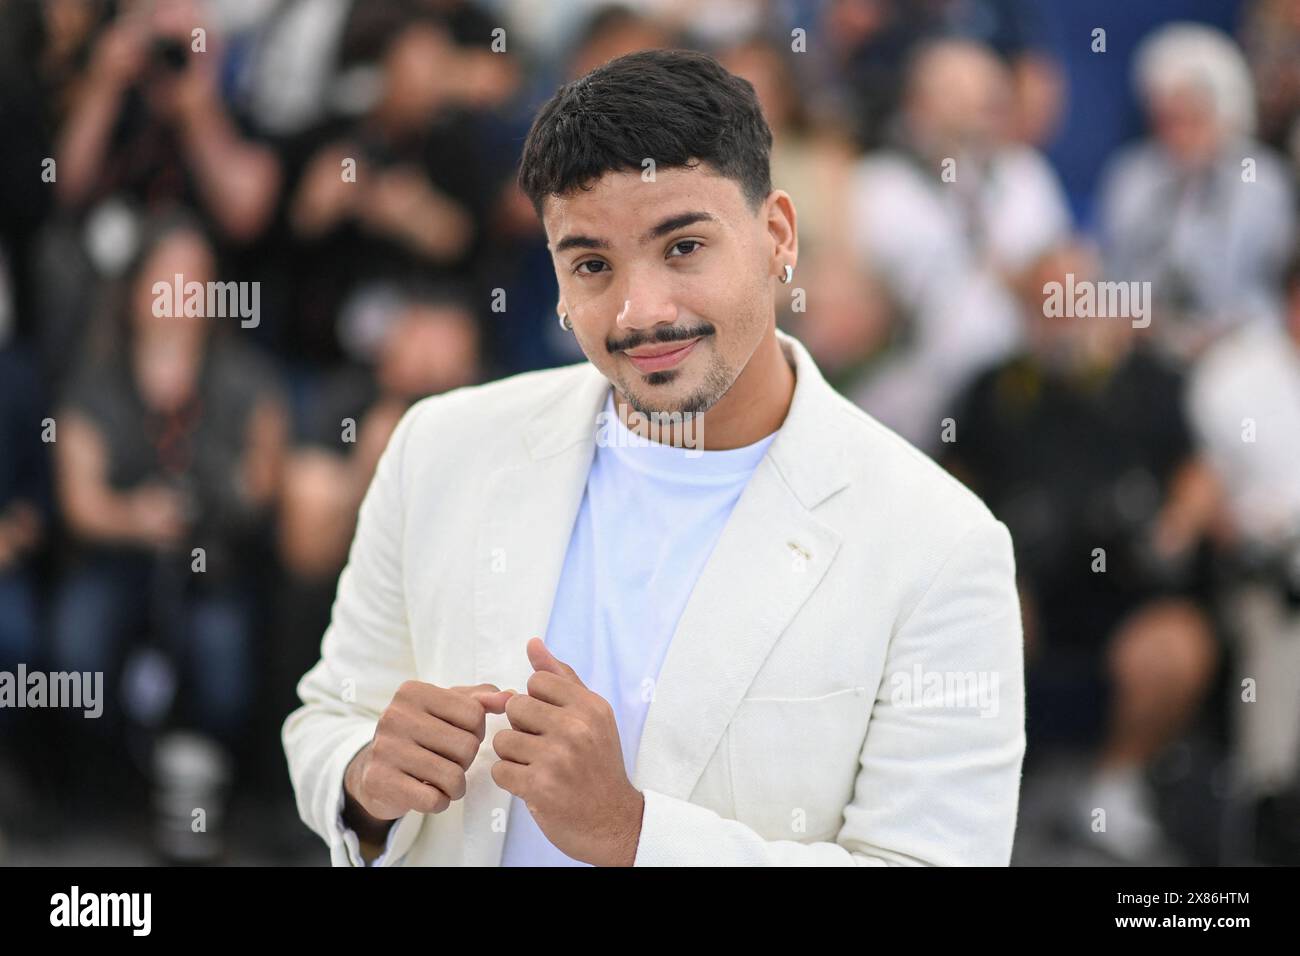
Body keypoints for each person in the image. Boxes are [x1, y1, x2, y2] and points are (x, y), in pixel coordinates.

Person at [283, 49, 1025, 867]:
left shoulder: (942, 545)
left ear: (778, 234)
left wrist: (631, 834)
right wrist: (364, 783)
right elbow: (329, 714)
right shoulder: (442, 447)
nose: (642, 311)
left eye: (681, 248)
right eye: (592, 264)